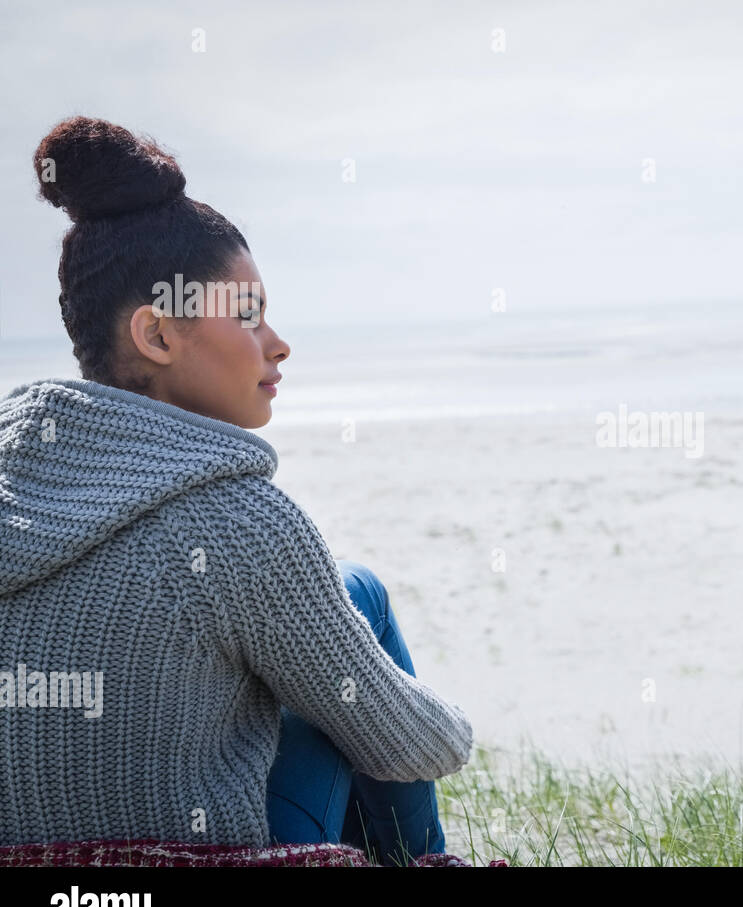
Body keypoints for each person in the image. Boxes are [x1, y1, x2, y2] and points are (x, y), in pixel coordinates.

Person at [0, 116, 472, 865]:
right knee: (364, 600)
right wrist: (450, 724)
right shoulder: (238, 527)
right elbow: (417, 748)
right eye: (247, 315)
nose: (277, 342)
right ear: (157, 336)